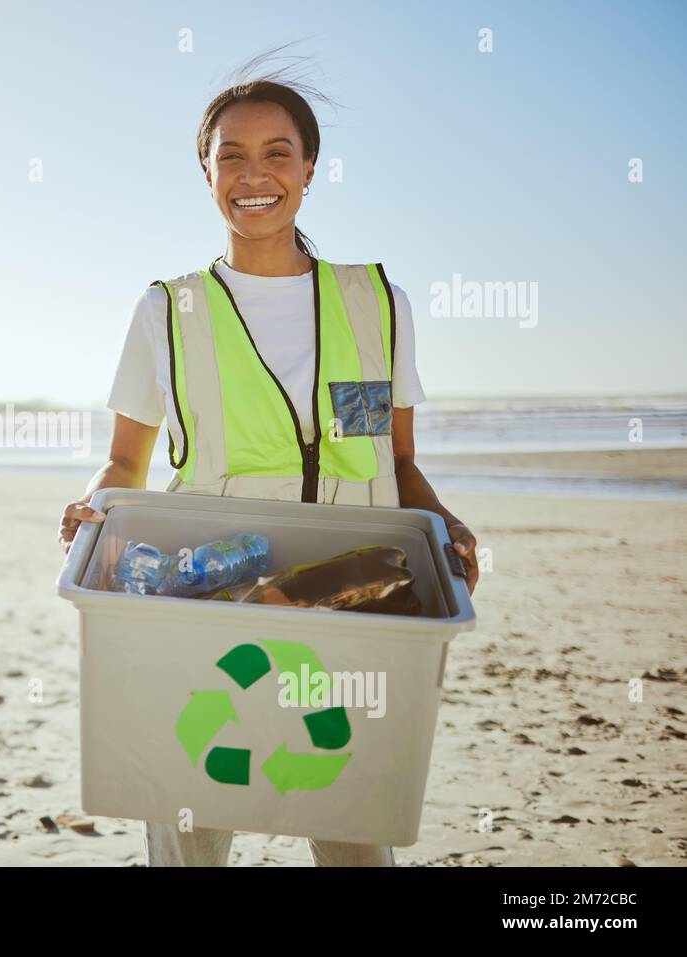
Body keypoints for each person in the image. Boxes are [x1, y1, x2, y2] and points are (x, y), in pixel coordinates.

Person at [56, 53, 480, 867]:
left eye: (277, 152)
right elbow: (122, 462)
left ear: (310, 168)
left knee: (355, 826)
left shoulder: (377, 303)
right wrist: (92, 509)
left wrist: (447, 522)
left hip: (355, 602)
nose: (255, 175)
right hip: (212, 601)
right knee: (191, 824)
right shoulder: (166, 310)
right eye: (232, 156)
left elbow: (399, 463)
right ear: (206, 172)